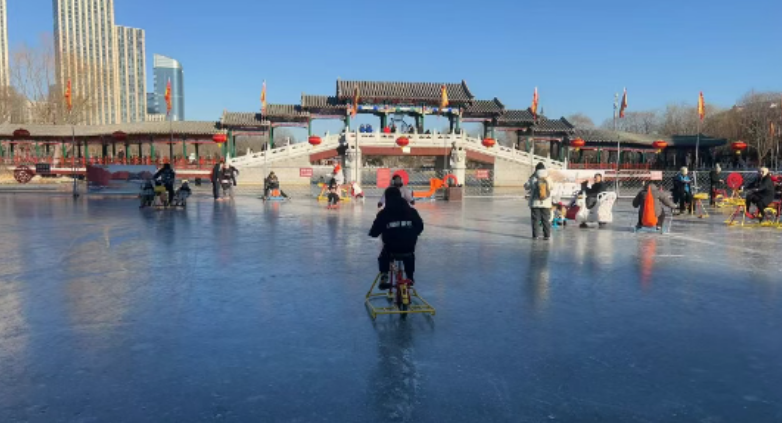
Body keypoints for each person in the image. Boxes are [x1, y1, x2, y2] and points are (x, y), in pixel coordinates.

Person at [369, 187, 425, 289]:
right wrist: (412, 233)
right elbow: (420, 227)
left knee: (384, 255)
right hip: (409, 244)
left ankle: (384, 276)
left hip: (391, 247)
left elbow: (374, 232)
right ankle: (410, 277)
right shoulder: (411, 211)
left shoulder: (384, 213)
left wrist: (375, 232)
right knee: (409, 254)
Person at [524, 163, 555, 240]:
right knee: (546, 220)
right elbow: (552, 187)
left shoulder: (533, 178)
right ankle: (547, 235)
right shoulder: (548, 178)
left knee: (535, 220)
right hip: (546, 203)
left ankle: (535, 236)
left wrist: (530, 178)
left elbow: (526, 187)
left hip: (535, 203)